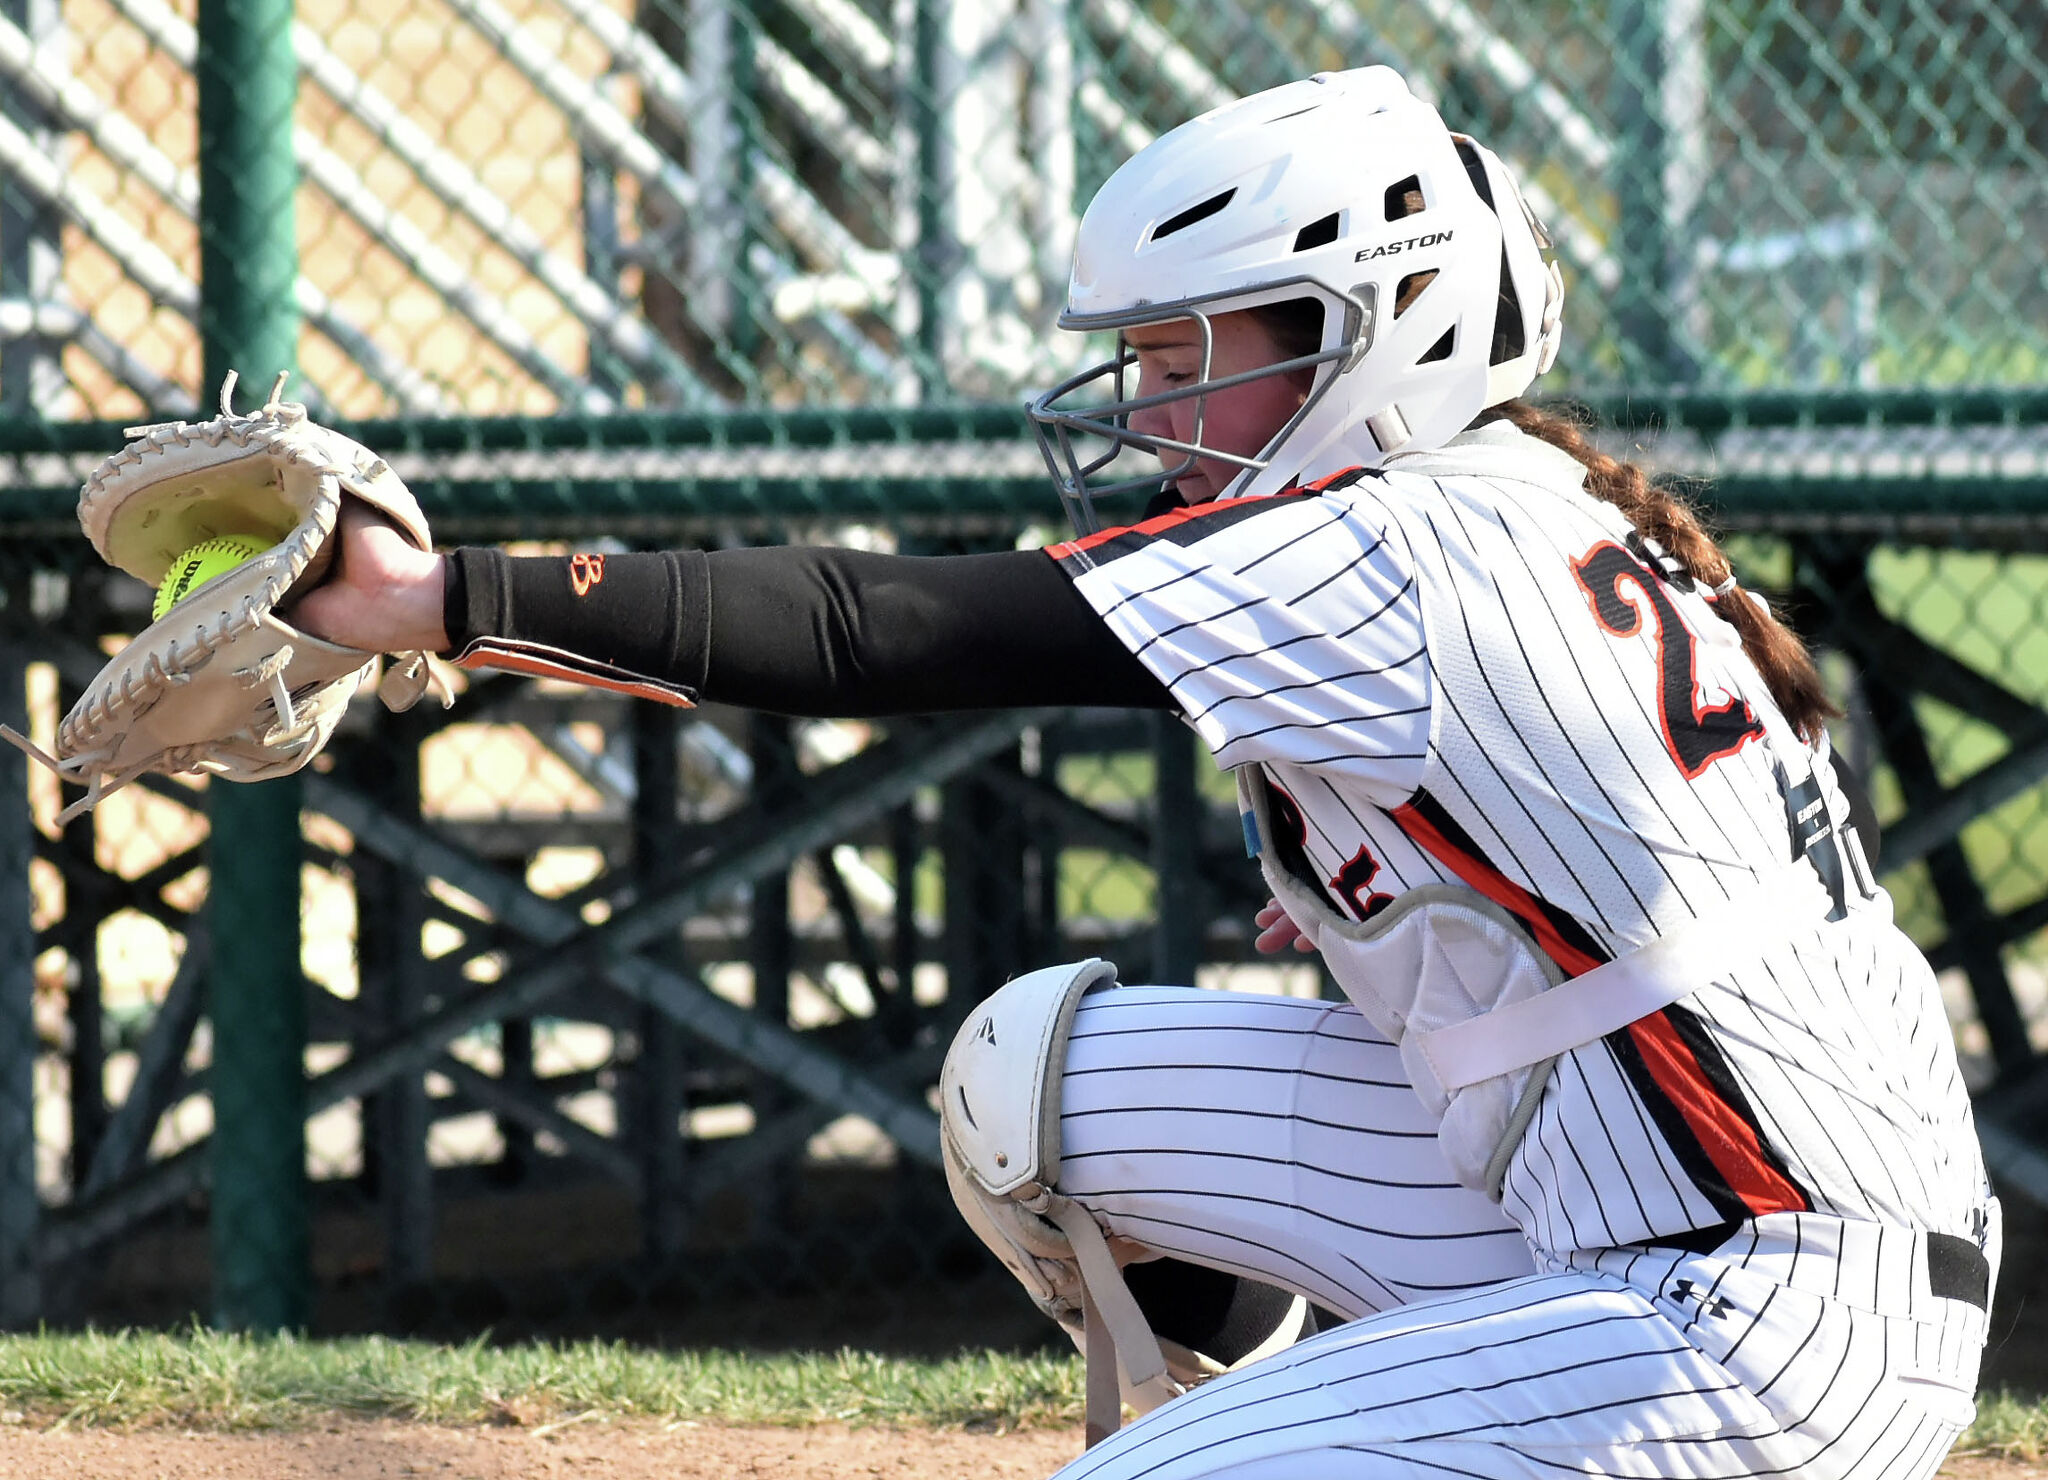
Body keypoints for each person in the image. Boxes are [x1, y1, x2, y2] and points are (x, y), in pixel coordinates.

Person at [297, 66, 1996, 1480]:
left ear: (1385, 328)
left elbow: (877, 626)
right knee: (1037, 1085)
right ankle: (1341, 1421)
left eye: (1197, 360)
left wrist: (442, 601)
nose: (1154, 408)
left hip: (1760, 1307)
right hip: (1686, 1208)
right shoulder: (1536, 507)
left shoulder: (1387, 548)